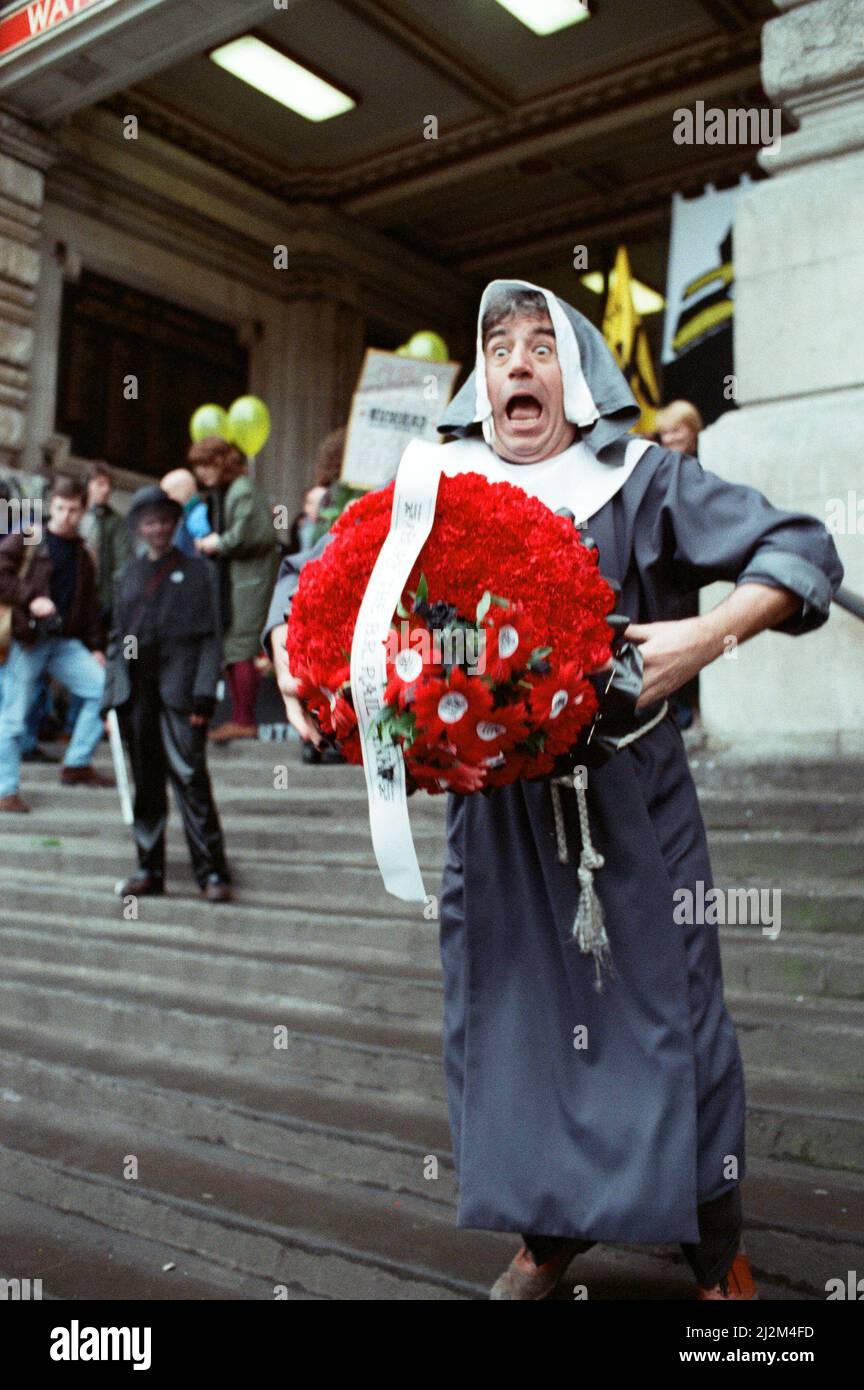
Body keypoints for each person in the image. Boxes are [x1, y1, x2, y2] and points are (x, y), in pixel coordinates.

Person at [263, 280, 843, 1302]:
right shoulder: (431, 485)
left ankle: (715, 1250)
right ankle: (551, 1231)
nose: (519, 361)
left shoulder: (643, 478)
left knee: (679, 1023)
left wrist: (711, 633)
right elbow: (312, 581)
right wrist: (289, 649)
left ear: (576, 376)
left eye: (543, 344)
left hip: (633, 802)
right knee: (509, 1022)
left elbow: (799, 545)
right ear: (481, 381)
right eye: (500, 347)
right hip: (495, 820)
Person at [101, 485, 231, 903]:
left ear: (175, 524)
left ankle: (212, 873)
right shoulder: (127, 576)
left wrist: (204, 695)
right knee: (146, 785)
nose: (158, 528)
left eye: (164, 520)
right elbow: (117, 639)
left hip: (181, 691)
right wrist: (110, 698)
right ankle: (148, 869)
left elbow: (211, 638)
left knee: (191, 780)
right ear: (139, 527)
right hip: (138, 693)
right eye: (150, 521)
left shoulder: (199, 573)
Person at [0, 474, 113, 813]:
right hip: (28, 639)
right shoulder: (29, 536)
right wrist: (31, 598)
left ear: (83, 511)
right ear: (52, 506)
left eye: (73, 509)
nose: (65, 515)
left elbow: (91, 606)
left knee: (105, 689)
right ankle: (5, 790)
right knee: (14, 718)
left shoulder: (82, 553)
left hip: (64, 643)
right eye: (60, 508)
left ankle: (76, 762)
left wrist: (96, 647)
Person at [188, 438, 278, 743]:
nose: (202, 473)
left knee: (242, 646)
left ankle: (244, 719)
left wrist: (218, 543)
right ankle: (241, 717)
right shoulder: (232, 491)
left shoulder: (242, 490)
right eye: (199, 466)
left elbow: (255, 534)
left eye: (207, 464)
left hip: (248, 583)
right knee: (234, 647)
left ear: (222, 462)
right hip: (238, 581)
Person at [160, 467, 211, 557]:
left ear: (183, 491)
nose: (166, 500)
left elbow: (204, 545)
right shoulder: (185, 514)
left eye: (168, 494)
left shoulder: (198, 514)